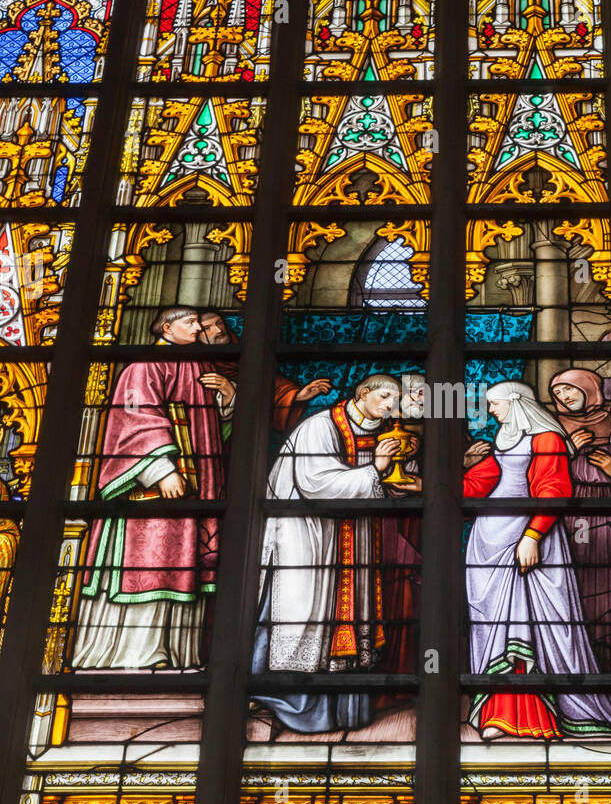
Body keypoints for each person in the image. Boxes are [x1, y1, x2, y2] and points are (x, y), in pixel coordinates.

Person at [71, 306, 235, 670]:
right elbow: (134, 418)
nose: (198, 327)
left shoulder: (198, 366)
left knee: (184, 565)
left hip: (198, 484)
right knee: (148, 563)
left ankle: (176, 654)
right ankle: (133, 656)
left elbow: (209, 425)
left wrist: (228, 395)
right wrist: (161, 470)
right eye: (190, 322)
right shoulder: (145, 365)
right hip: (154, 490)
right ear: (166, 327)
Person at [463, 381, 611, 740]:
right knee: (496, 625)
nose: (492, 411)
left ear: (516, 402)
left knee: (535, 622)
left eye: (495, 404)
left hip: (527, 540)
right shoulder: (505, 439)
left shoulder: (546, 438)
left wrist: (533, 536)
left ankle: (534, 716)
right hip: (490, 542)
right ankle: (496, 712)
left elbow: (554, 489)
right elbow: (483, 479)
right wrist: (425, 486)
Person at [252, 374, 406, 732]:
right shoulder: (319, 427)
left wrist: (392, 478)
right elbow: (316, 483)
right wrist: (377, 470)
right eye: (385, 397)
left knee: (344, 615)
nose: (390, 406)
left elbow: (374, 484)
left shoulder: (374, 433)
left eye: (395, 401)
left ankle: (340, 710)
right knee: (301, 611)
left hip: (350, 538)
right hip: (305, 536)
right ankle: (285, 701)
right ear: (363, 394)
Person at [549, 369, 611, 673]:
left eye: (570, 390)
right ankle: (579, 658)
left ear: (591, 389)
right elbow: (536, 472)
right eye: (558, 393)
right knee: (577, 580)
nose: (564, 397)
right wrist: (568, 450)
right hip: (573, 512)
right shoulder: (553, 427)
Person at [198, 309, 332, 435]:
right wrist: (229, 394)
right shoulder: (198, 367)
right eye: (207, 328)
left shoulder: (247, 358)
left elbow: (266, 385)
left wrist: (296, 396)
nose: (219, 330)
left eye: (219, 323)